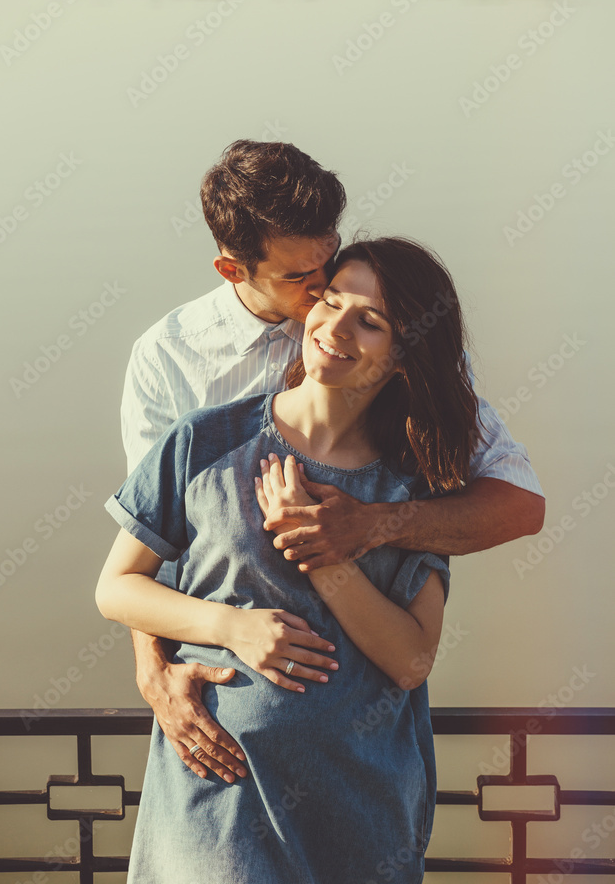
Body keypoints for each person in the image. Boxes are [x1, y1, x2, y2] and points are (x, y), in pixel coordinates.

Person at [121, 139, 545, 785]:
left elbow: (519, 505)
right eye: (300, 280)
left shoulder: (379, 328)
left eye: (327, 260)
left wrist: (376, 525)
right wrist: (155, 676)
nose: (323, 293)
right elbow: (151, 536)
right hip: (224, 725)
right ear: (233, 270)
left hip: (361, 745)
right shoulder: (169, 359)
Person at [97, 237, 515, 882]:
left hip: (361, 812)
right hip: (219, 799)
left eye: (370, 323)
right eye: (329, 300)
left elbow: (411, 661)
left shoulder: (411, 486)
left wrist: (326, 557)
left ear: (403, 358)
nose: (335, 327)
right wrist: (230, 627)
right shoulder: (205, 441)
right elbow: (118, 588)